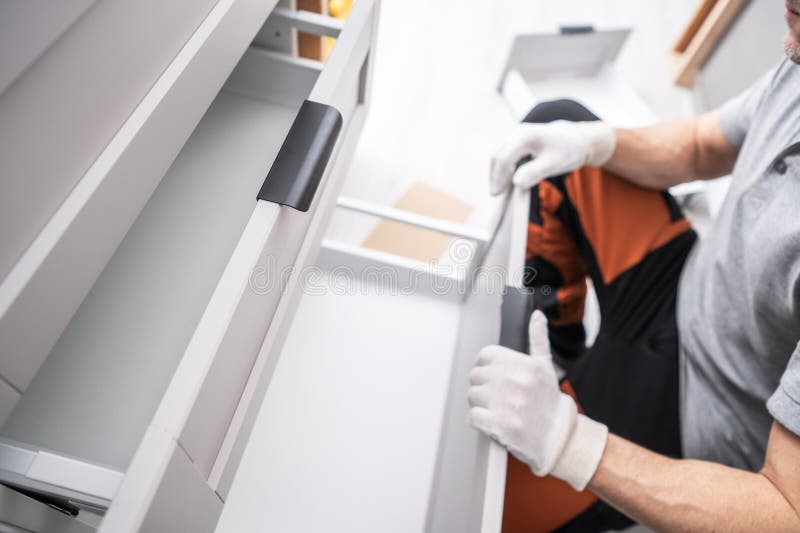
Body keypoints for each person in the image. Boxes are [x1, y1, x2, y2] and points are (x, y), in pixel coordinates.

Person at [468, 3, 800, 531]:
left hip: (699, 418)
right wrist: (594, 143)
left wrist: (568, 443)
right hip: (685, 287)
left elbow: (784, 510)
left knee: (482, 495)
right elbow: (700, 144)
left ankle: (558, 412)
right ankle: (558, 350)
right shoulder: (798, 58)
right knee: (560, 128)